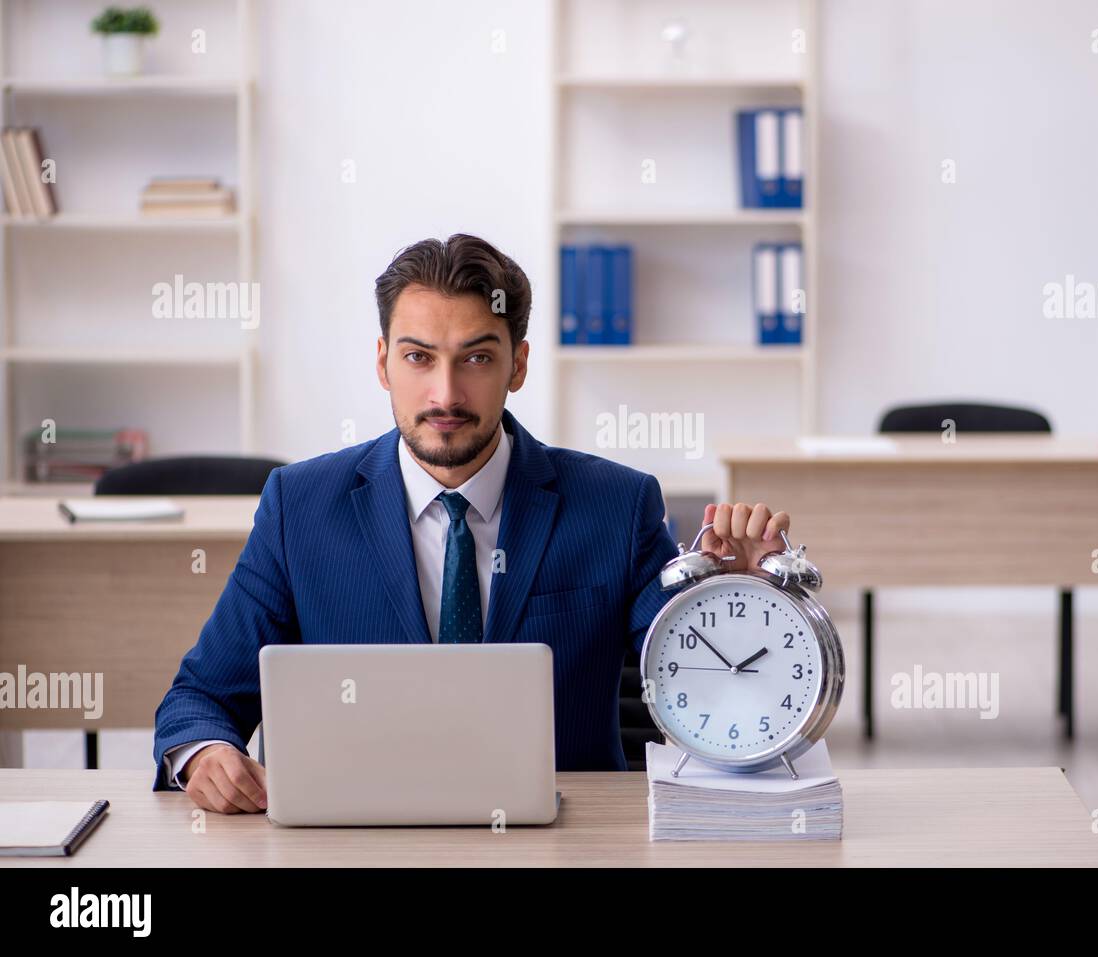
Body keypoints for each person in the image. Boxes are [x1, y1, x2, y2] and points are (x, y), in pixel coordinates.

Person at [152, 234, 792, 814]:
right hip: (355, 841)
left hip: (565, 844)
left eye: (477, 359)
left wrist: (742, 602)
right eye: (418, 357)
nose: (446, 395)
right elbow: (199, 697)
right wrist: (205, 754)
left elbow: (712, 700)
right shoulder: (302, 505)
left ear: (517, 365)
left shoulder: (615, 506)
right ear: (383, 364)